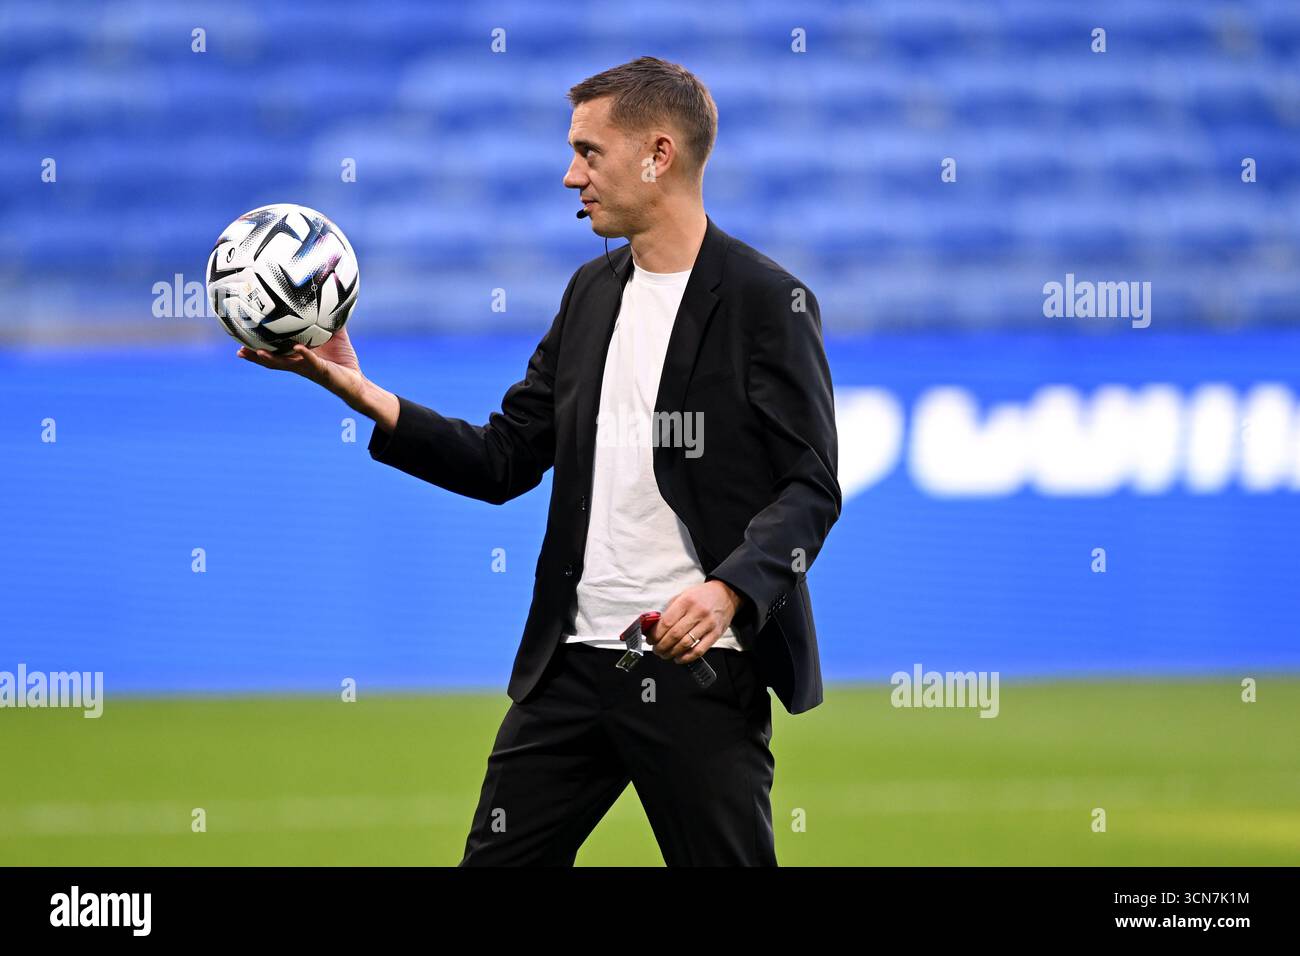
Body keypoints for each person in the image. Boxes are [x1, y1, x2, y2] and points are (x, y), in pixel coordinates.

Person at [237, 56, 841, 866]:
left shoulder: (769, 301)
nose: (570, 175)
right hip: (573, 669)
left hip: (700, 672)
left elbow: (812, 486)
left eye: (590, 152)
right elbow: (503, 459)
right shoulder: (590, 292)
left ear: (657, 156)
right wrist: (364, 393)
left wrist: (731, 589)